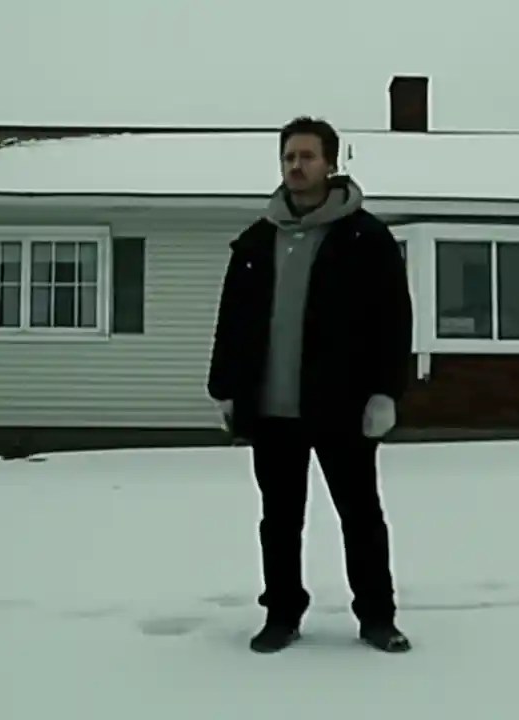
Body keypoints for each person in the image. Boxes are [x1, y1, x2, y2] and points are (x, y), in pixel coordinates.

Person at [206, 117, 414, 654]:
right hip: (273, 408)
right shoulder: (256, 241)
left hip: (342, 408)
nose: (296, 166)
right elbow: (233, 322)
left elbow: (393, 320)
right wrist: (225, 388)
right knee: (279, 521)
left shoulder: (365, 238)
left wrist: (386, 392)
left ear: (330, 163)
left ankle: (376, 617)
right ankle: (281, 614)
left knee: (361, 517)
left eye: (307, 157)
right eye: (288, 157)